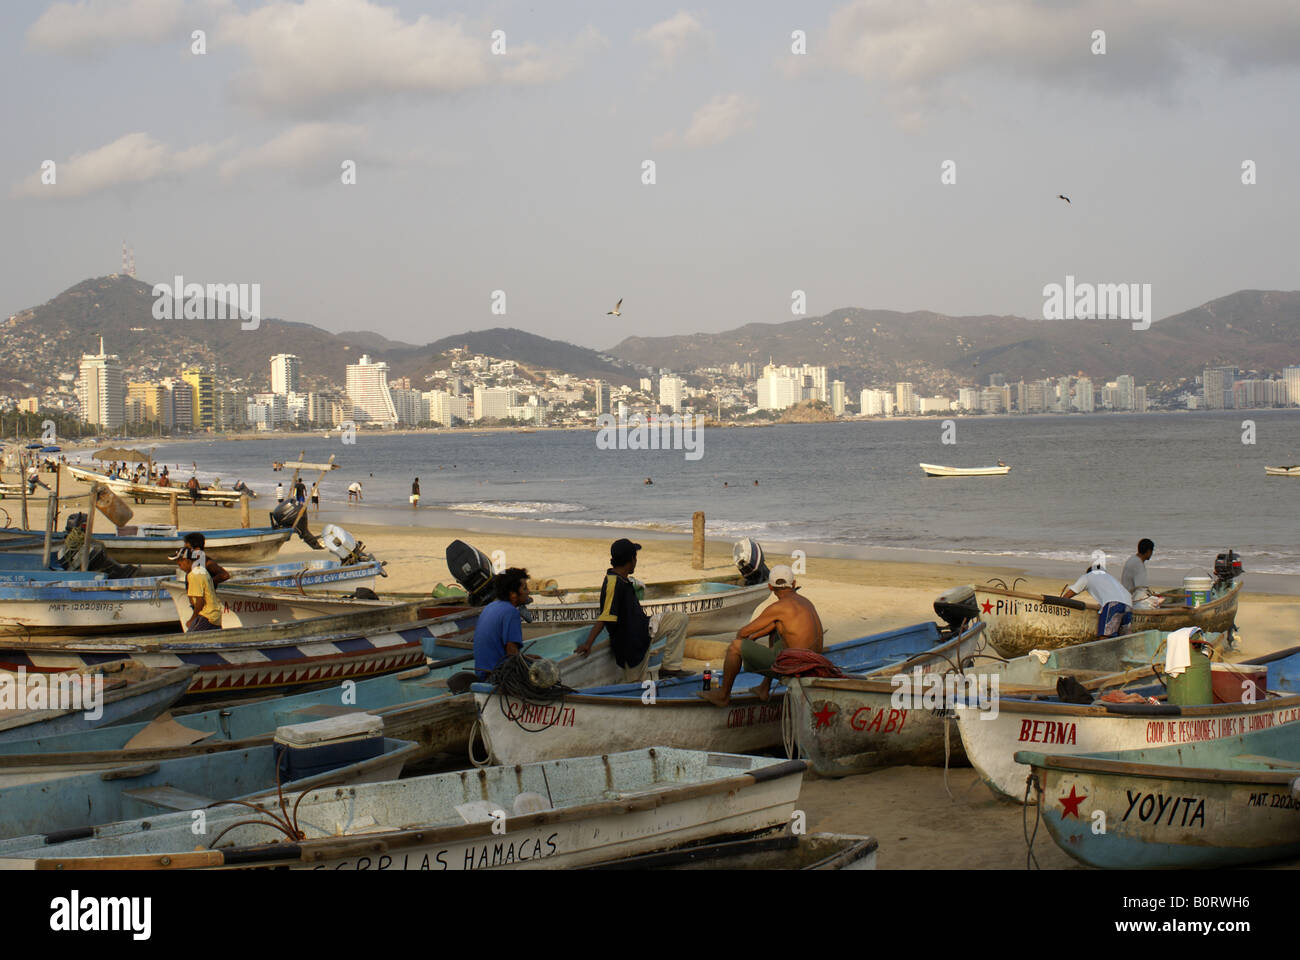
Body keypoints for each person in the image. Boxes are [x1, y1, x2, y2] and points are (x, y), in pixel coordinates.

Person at [699, 565, 824, 706]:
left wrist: (750, 640)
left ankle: (723, 695)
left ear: (770, 587)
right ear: (794, 584)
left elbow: (742, 633)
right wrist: (757, 636)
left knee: (735, 647)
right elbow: (771, 627)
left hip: (797, 668)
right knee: (776, 629)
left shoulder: (779, 607)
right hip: (815, 663)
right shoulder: (806, 602)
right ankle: (764, 688)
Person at [573, 539, 690, 681]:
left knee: (679, 619)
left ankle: (670, 668)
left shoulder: (623, 579)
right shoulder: (613, 584)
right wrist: (588, 643)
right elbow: (605, 616)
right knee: (635, 684)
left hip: (645, 629)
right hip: (631, 645)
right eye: (635, 557)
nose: (636, 561)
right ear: (631, 560)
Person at [471, 567, 533, 678]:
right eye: (524, 588)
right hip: (496, 677)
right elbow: (512, 653)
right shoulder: (511, 612)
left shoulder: (490, 606)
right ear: (513, 594)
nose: (528, 591)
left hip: (481, 673)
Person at [1062, 551, 1133, 638]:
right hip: (1129, 605)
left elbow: (1068, 595)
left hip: (1114, 604)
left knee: (1104, 637)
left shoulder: (1087, 577)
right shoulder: (1109, 577)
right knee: (1123, 638)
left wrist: (1059, 602)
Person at [171, 545, 222, 631]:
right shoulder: (201, 570)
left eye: (180, 564)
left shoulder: (194, 575)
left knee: (190, 640)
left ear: (187, 561)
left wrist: (192, 619)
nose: (180, 567)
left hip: (207, 615)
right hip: (215, 615)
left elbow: (200, 601)